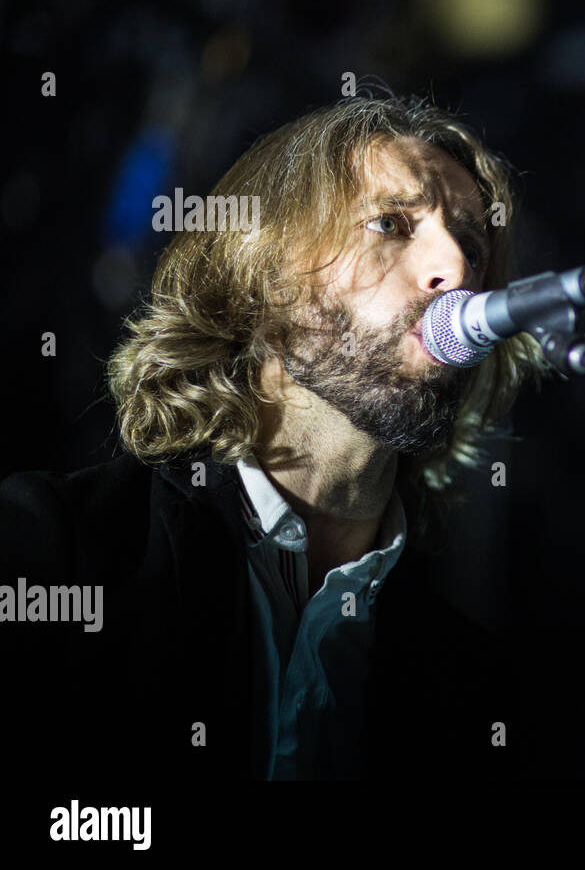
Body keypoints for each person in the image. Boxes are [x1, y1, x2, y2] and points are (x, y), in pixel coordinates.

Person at [0, 95, 546, 780]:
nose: (457, 271)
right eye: (391, 223)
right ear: (261, 269)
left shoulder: (473, 685)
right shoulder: (50, 552)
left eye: (469, 241)